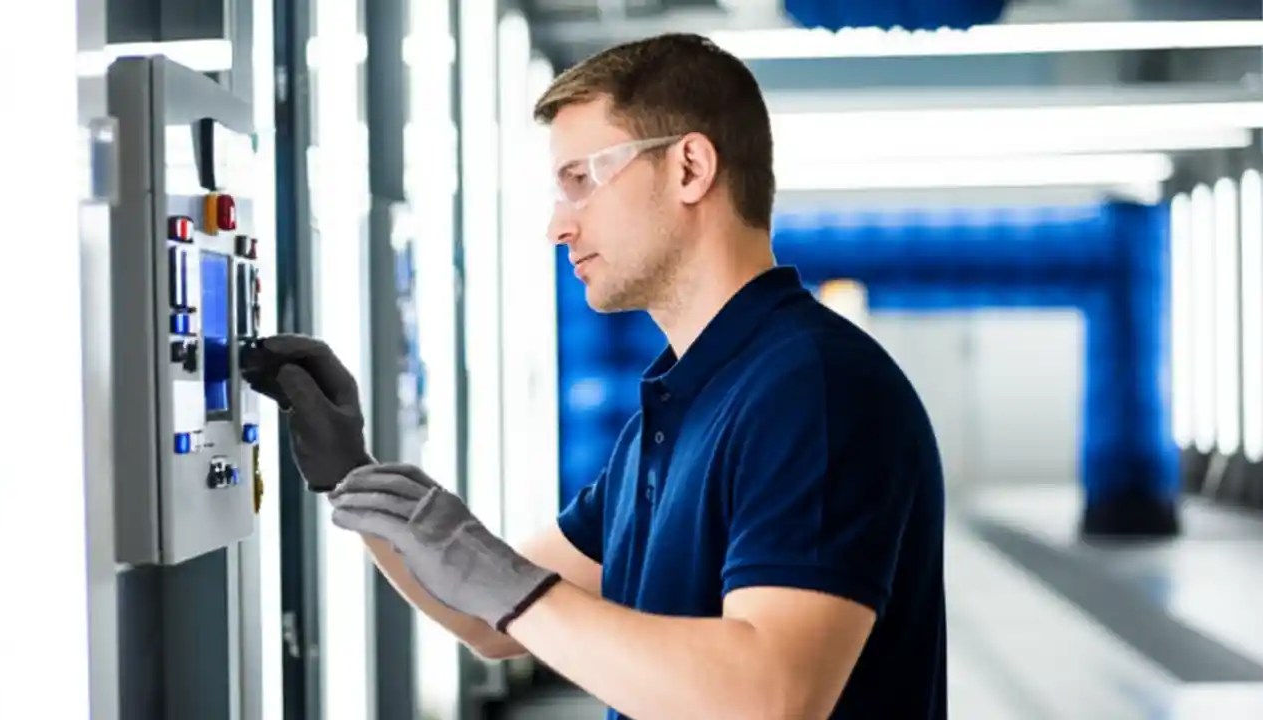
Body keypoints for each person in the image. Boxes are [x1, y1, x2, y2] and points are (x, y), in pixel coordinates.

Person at [242, 32, 947, 720]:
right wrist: (356, 482)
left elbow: (768, 697)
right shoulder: (675, 410)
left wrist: (504, 582)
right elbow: (494, 621)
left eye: (580, 181)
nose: (557, 225)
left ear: (690, 168)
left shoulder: (812, 388)